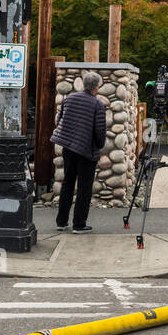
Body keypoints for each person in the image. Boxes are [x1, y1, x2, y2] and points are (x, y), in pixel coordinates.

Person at [50, 72, 108, 232]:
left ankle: (61, 222)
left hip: (68, 147)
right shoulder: (97, 105)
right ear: (97, 86)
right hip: (86, 150)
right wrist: (99, 146)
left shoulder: (69, 98)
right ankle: (79, 224)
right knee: (84, 187)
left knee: (67, 183)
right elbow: (100, 130)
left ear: (83, 84)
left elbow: (58, 120)